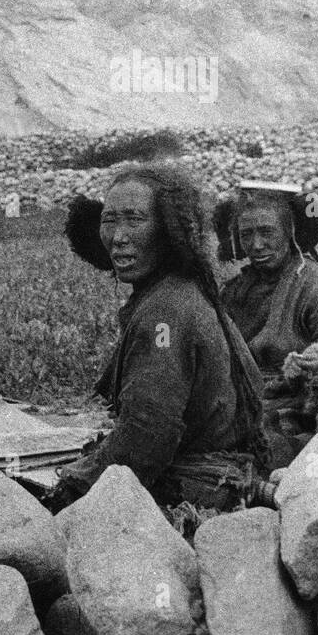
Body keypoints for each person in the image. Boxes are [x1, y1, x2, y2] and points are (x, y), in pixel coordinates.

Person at [52, 162, 270, 511]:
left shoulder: (165, 312)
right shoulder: (177, 293)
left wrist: (74, 487)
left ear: (169, 231)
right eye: (109, 221)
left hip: (196, 492)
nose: (119, 236)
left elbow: (147, 435)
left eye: (135, 219)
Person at [217, 181, 318, 467]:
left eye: (266, 232)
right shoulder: (233, 292)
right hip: (241, 406)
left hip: (296, 411)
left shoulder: (313, 284)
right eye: (246, 235)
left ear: (288, 233)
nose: (256, 245)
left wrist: (305, 368)